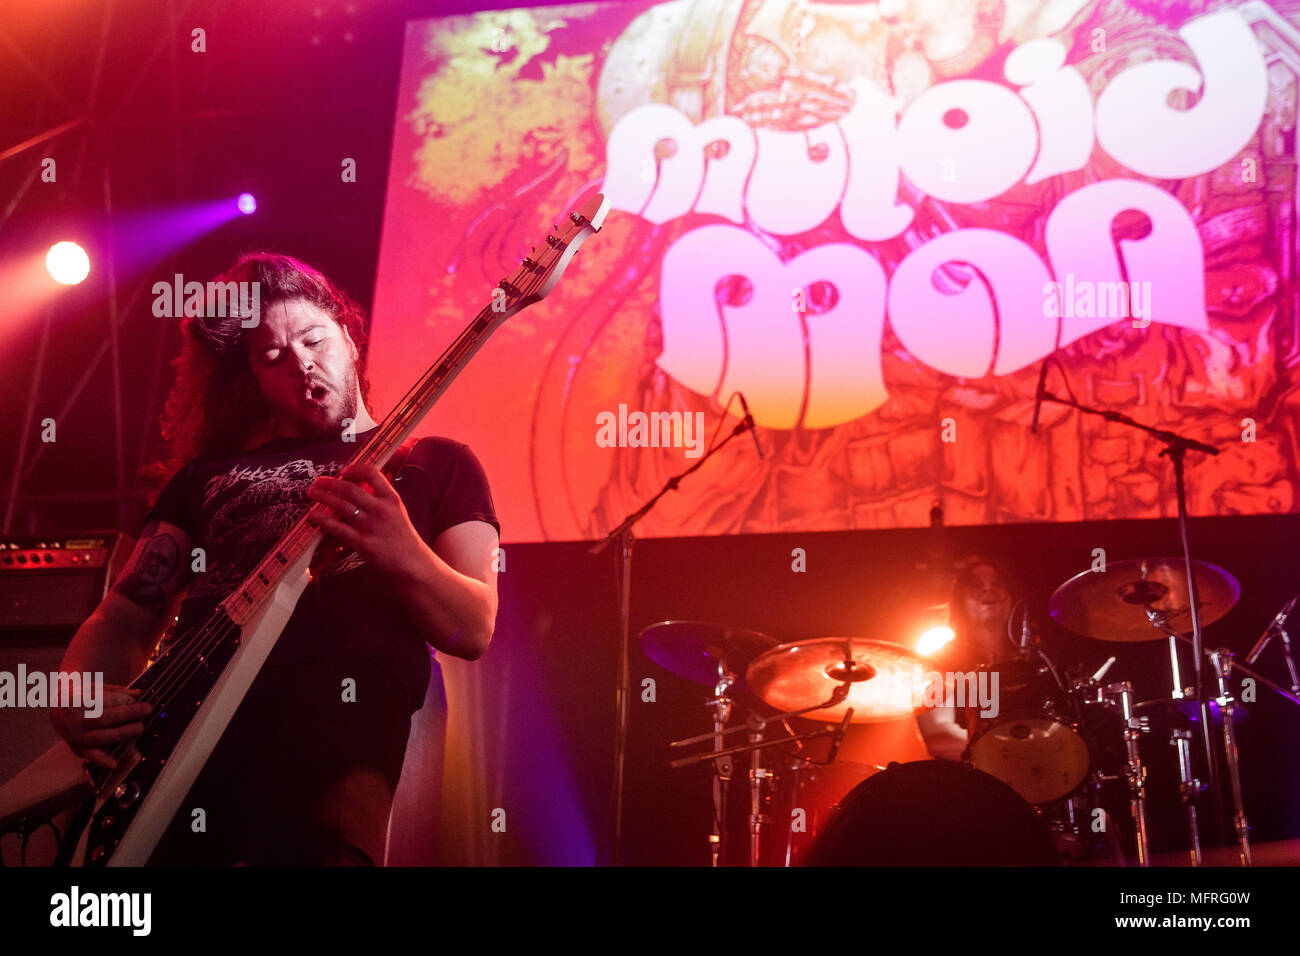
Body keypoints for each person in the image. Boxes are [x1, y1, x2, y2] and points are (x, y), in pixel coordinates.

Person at [50, 253, 500, 865]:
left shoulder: (436, 462)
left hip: (342, 726)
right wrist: (79, 692)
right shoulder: (206, 477)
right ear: (253, 380)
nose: (301, 363)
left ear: (348, 333)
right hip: (186, 736)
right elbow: (124, 617)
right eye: (272, 359)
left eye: (313, 339)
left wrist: (404, 553)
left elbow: (471, 627)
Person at [916, 557, 1017, 762]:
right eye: (976, 586)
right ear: (961, 600)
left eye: (997, 584)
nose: (988, 590)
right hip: (967, 780)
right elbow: (938, 739)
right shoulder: (941, 661)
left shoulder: (1033, 663)